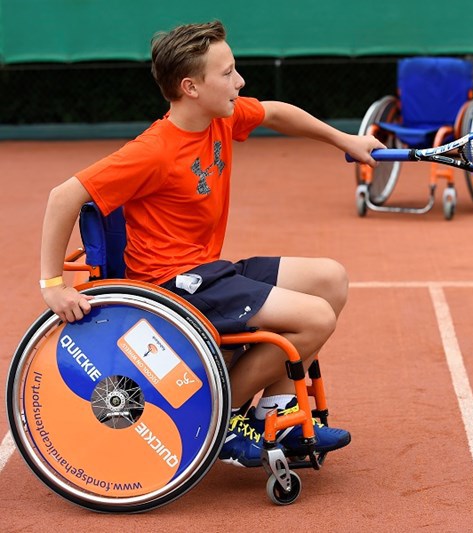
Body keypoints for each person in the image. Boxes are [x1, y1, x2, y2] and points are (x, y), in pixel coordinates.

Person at [38, 20, 385, 467]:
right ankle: (216, 421)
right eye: (227, 73)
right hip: (171, 287)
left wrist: (346, 140)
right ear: (191, 87)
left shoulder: (221, 117)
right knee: (315, 318)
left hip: (207, 271)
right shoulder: (155, 150)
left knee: (330, 280)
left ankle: (270, 413)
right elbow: (64, 196)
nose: (239, 81)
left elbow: (276, 112)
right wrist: (52, 284)